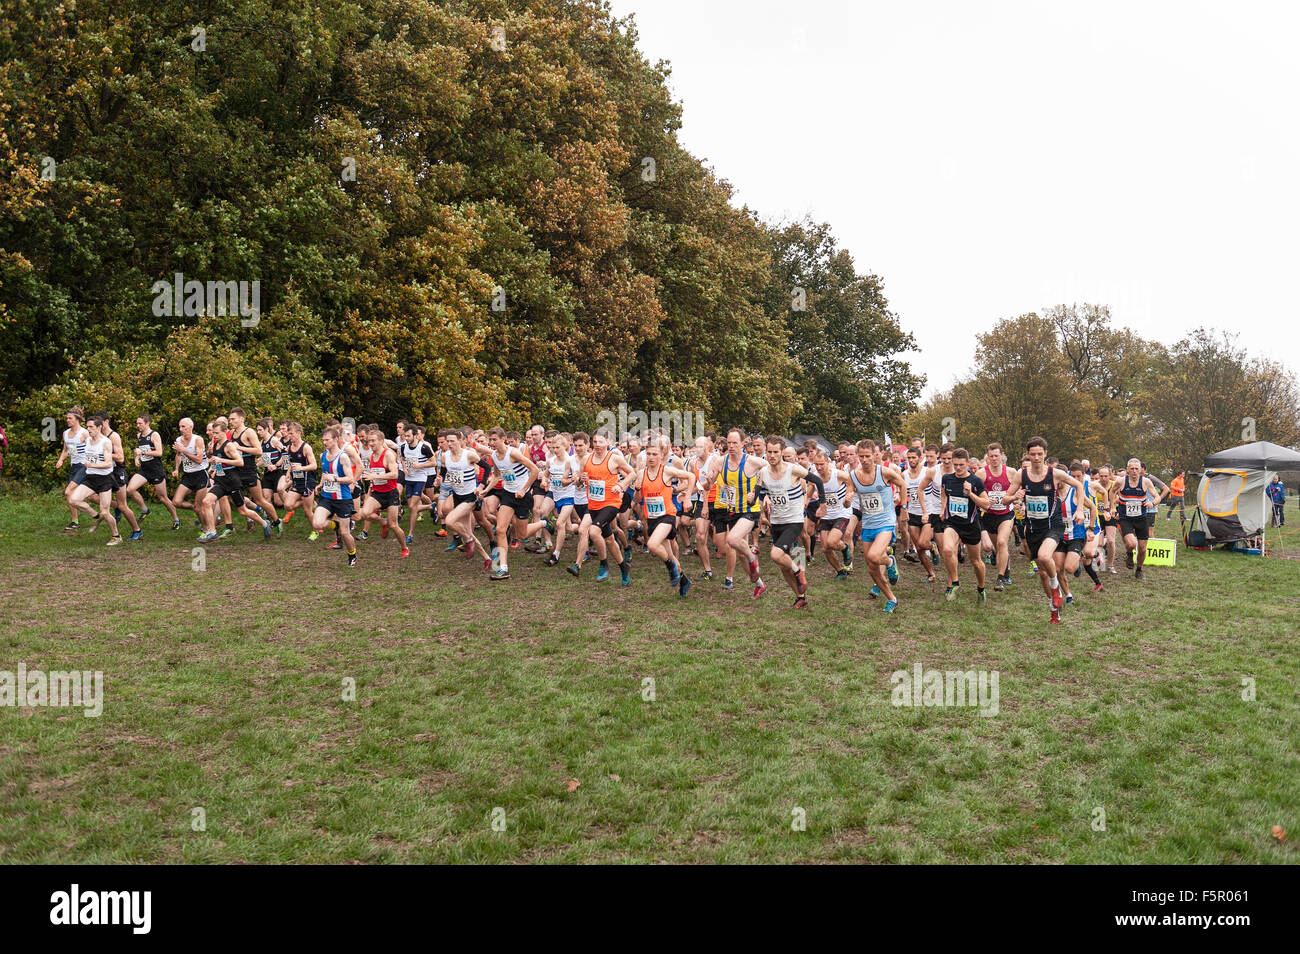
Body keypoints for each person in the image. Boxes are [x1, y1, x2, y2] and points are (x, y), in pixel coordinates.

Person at [939, 447, 991, 603]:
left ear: (967, 463)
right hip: (952, 523)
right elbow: (943, 494)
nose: (958, 468)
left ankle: (981, 588)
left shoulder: (975, 481)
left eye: (961, 465)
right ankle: (954, 583)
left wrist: (970, 494)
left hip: (970, 525)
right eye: (955, 465)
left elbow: (986, 505)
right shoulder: (947, 478)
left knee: (976, 561)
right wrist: (943, 509)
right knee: (947, 549)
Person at [68, 415, 122, 545]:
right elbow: (81, 437)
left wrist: (93, 465)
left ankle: (116, 536)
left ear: (99, 427)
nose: (88, 429)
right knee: (73, 499)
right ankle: (96, 516)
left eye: (91, 427)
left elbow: (108, 463)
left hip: (104, 479)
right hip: (90, 478)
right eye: (87, 427)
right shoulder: (87, 438)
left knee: (106, 512)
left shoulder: (105, 442)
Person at [312, 425, 359, 567]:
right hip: (327, 497)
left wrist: (336, 479)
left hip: (342, 499)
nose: (324, 443)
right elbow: (325, 473)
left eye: (327, 440)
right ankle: (335, 523)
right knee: (317, 523)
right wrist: (320, 484)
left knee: (345, 534)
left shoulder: (343, 457)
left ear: (336, 439)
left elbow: (350, 479)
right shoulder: (322, 456)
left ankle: (352, 555)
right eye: (323, 440)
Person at [126, 413, 181, 530]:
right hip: (144, 469)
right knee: (130, 489)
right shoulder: (139, 435)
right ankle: (145, 510)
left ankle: (176, 520)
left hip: (156, 470)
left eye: (140, 423)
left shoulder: (154, 435)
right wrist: (137, 459)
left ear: (147, 423)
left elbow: (159, 452)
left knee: (163, 498)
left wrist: (143, 453)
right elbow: (138, 451)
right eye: (137, 423)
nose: (138, 425)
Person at [1111, 458, 1161, 580]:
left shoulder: (1146, 482)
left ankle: (1139, 570)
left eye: (1136, 469)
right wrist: (1111, 507)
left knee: (1143, 549)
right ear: (1127, 469)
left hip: (1141, 518)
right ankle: (1129, 554)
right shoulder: (1121, 481)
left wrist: (1153, 503)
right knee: (1132, 543)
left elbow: (1157, 496)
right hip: (1125, 518)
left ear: (1140, 470)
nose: (1134, 471)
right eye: (1131, 468)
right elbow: (1111, 492)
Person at [57, 408, 90, 531]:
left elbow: (94, 447)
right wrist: (61, 460)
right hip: (74, 466)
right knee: (93, 497)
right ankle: (75, 521)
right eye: (67, 418)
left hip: (84, 466)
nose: (67, 420)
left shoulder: (85, 433)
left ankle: (92, 515)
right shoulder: (65, 433)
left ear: (77, 419)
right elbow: (66, 450)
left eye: (70, 418)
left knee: (68, 492)